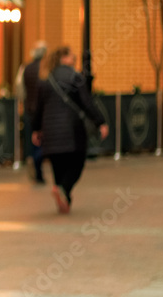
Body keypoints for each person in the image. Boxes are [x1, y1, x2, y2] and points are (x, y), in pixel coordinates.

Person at [31, 46, 109, 213]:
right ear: (64, 58)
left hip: (50, 132)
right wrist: (100, 122)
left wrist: (36, 130)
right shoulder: (75, 77)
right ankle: (64, 190)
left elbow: (38, 108)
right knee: (78, 162)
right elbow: (87, 102)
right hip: (72, 130)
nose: (74, 58)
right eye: (71, 56)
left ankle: (62, 195)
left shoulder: (45, 79)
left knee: (58, 165)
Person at [17, 42, 47, 184]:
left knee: (33, 139)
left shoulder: (26, 68)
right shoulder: (45, 69)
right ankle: (37, 164)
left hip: (29, 108)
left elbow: (20, 88)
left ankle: (32, 160)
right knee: (43, 140)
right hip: (43, 110)